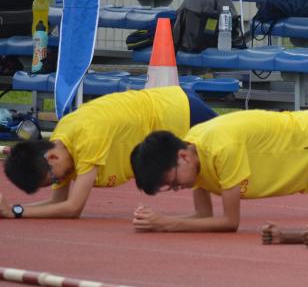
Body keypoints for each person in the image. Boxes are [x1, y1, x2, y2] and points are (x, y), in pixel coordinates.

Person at [130, 109, 308, 233]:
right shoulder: (192, 152)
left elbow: (229, 222)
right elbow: (204, 215)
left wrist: (165, 223)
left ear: (182, 156)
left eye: (173, 182)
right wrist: (160, 221)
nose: (178, 188)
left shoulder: (221, 148)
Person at [0, 86, 217, 220]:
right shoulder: (60, 140)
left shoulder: (87, 138)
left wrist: (17, 212)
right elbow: (58, 203)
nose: (60, 181)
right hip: (169, 101)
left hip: (180, 113)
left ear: (52, 158)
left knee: (232, 158)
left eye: (54, 178)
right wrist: (13, 209)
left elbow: (73, 208)